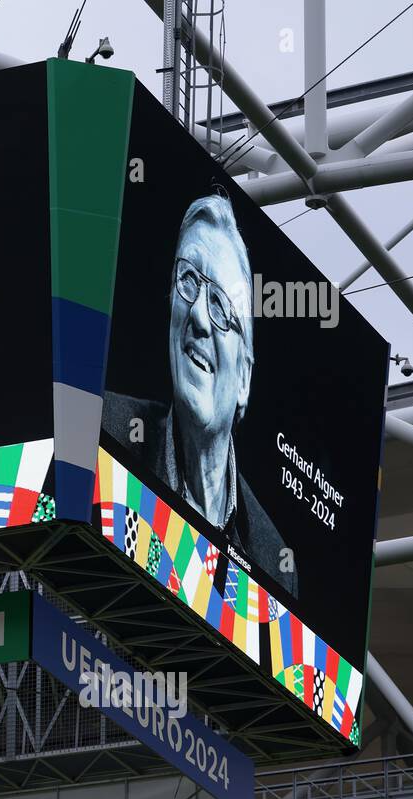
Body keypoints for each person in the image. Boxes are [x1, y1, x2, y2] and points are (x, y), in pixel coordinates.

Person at [102, 194, 297, 598]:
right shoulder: (100, 431)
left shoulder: (271, 558)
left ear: (244, 379)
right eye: (188, 281)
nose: (199, 318)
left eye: (222, 307)